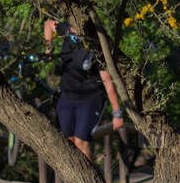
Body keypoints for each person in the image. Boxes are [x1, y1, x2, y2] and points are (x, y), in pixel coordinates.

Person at [43, 18, 124, 161]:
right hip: (68, 95)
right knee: (67, 142)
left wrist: (117, 112)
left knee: (81, 142)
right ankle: (75, 180)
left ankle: (90, 179)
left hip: (90, 98)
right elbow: (48, 24)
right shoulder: (66, 31)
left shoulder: (96, 48)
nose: (74, 33)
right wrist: (49, 48)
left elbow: (107, 81)